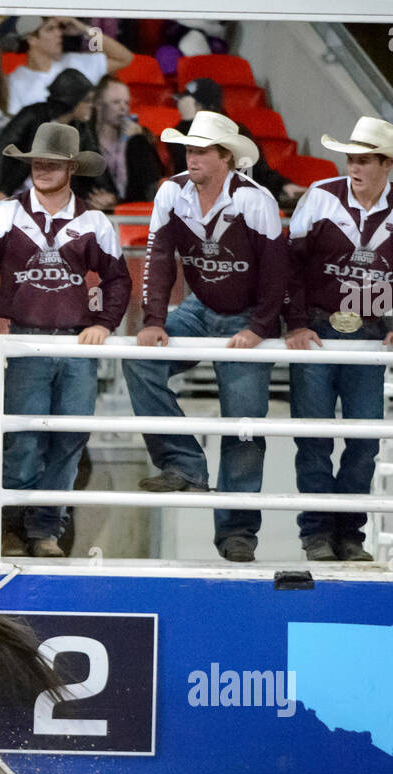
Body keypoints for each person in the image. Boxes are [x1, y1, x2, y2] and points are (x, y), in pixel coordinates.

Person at [123, 111, 288, 563]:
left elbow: (277, 270)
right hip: (199, 307)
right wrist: (154, 319)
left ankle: (238, 533)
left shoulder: (255, 199)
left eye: (200, 151)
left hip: (246, 315)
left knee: (244, 428)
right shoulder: (172, 191)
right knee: (140, 359)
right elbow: (158, 257)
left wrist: (259, 327)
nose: (190, 157)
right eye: (188, 150)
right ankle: (184, 463)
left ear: (225, 157)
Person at [285, 117, 393, 561]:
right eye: (351, 159)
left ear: (386, 163)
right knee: (313, 437)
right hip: (315, 327)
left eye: (364, 160)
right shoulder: (320, 197)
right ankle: (317, 534)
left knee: (364, 440)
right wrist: (295, 322)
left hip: (370, 332)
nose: (354, 167)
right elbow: (291, 264)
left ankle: (349, 534)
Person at [0, 122, 130, 558]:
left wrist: (104, 323)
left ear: (71, 168)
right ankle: (14, 525)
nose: (43, 169)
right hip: (27, 341)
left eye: (52, 163)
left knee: (68, 440)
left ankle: (43, 528)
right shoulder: (4, 215)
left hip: (75, 343)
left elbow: (119, 280)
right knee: (25, 440)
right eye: (37, 162)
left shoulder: (93, 221)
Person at [169, 77, 305, 206]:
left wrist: (284, 185)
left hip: (240, 203)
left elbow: (258, 170)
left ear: (201, 105)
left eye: (184, 99)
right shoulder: (180, 134)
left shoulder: (237, 131)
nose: (179, 103)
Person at [0, 69, 96, 199]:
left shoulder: (80, 128)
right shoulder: (32, 114)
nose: (92, 106)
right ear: (72, 99)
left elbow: (93, 161)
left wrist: (106, 194)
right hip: (14, 189)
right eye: (87, 100)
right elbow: (1, 148)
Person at [6, 16, 133, 114]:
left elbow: (124, 58)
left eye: (59, 28)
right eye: (50, 29)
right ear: (32, 39)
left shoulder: (74, 62)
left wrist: (84, 29)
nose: (59, 34)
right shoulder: (14, 81)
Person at [84, 75, 166, 210]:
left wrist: (142, 141)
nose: (123, 108)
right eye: (116, 102)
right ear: (98, 104)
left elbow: (151, 188)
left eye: (126, 103)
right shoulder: (85, 139)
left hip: (133, 217)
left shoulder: (138, 141)